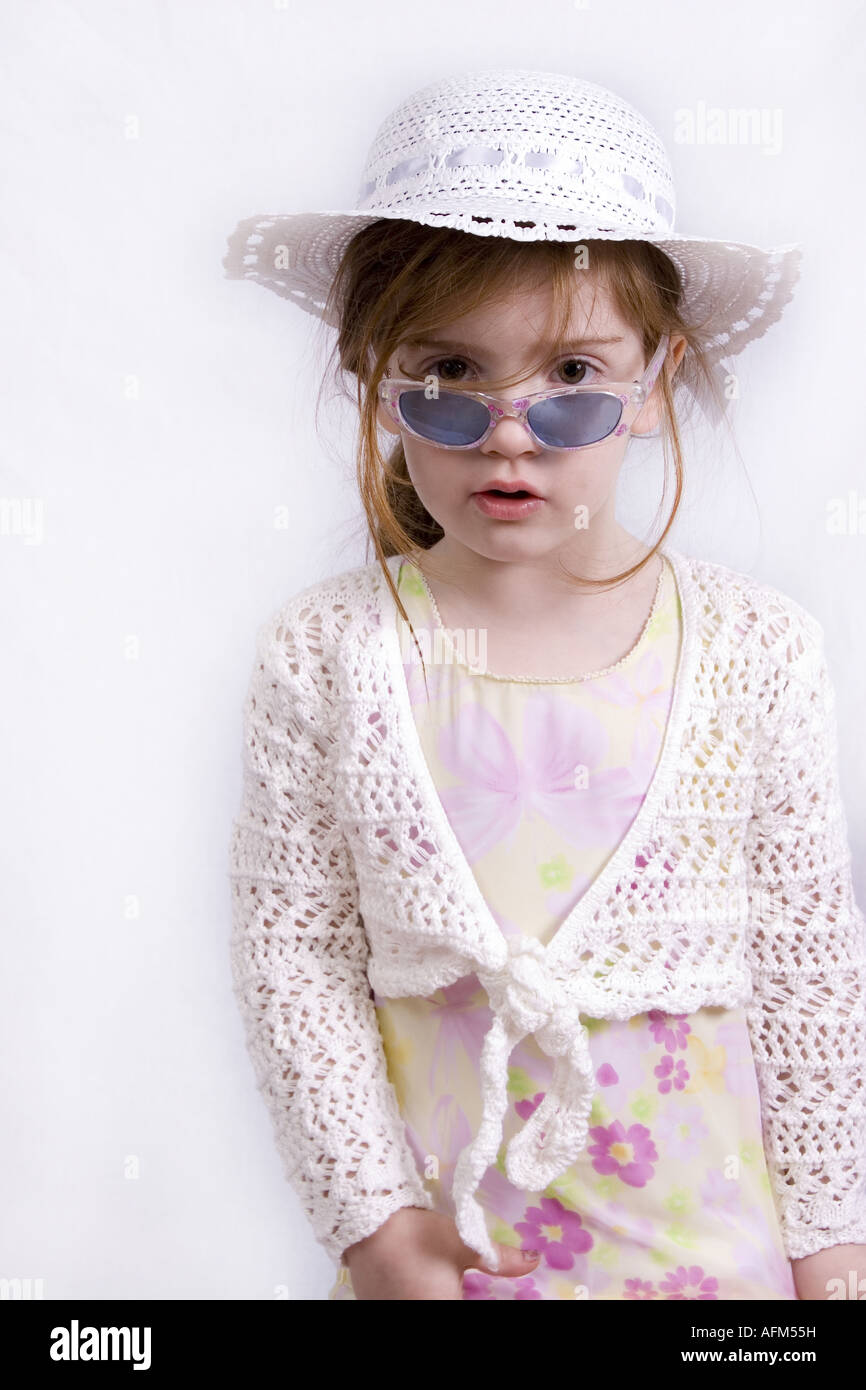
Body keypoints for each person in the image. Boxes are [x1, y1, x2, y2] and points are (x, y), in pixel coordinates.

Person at [223, 69, 866, 1301]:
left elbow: (805, 966)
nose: (508, 429)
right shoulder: (327, 653)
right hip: (450, 1253)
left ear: (654, 377)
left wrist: (830, 1241)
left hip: (708, 1261)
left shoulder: (754, 648)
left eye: (571, 376)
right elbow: (293, 952)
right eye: (447, 375)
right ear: (375, 374)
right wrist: (376, 1227)